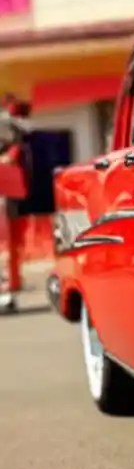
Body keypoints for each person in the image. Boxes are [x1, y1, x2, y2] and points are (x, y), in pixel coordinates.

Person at [0, 96, 30, 314]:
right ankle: (9, 291)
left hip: (8, 203)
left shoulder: (16, 151)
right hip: (9, 203)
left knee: (9, 250)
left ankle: (9, 292)